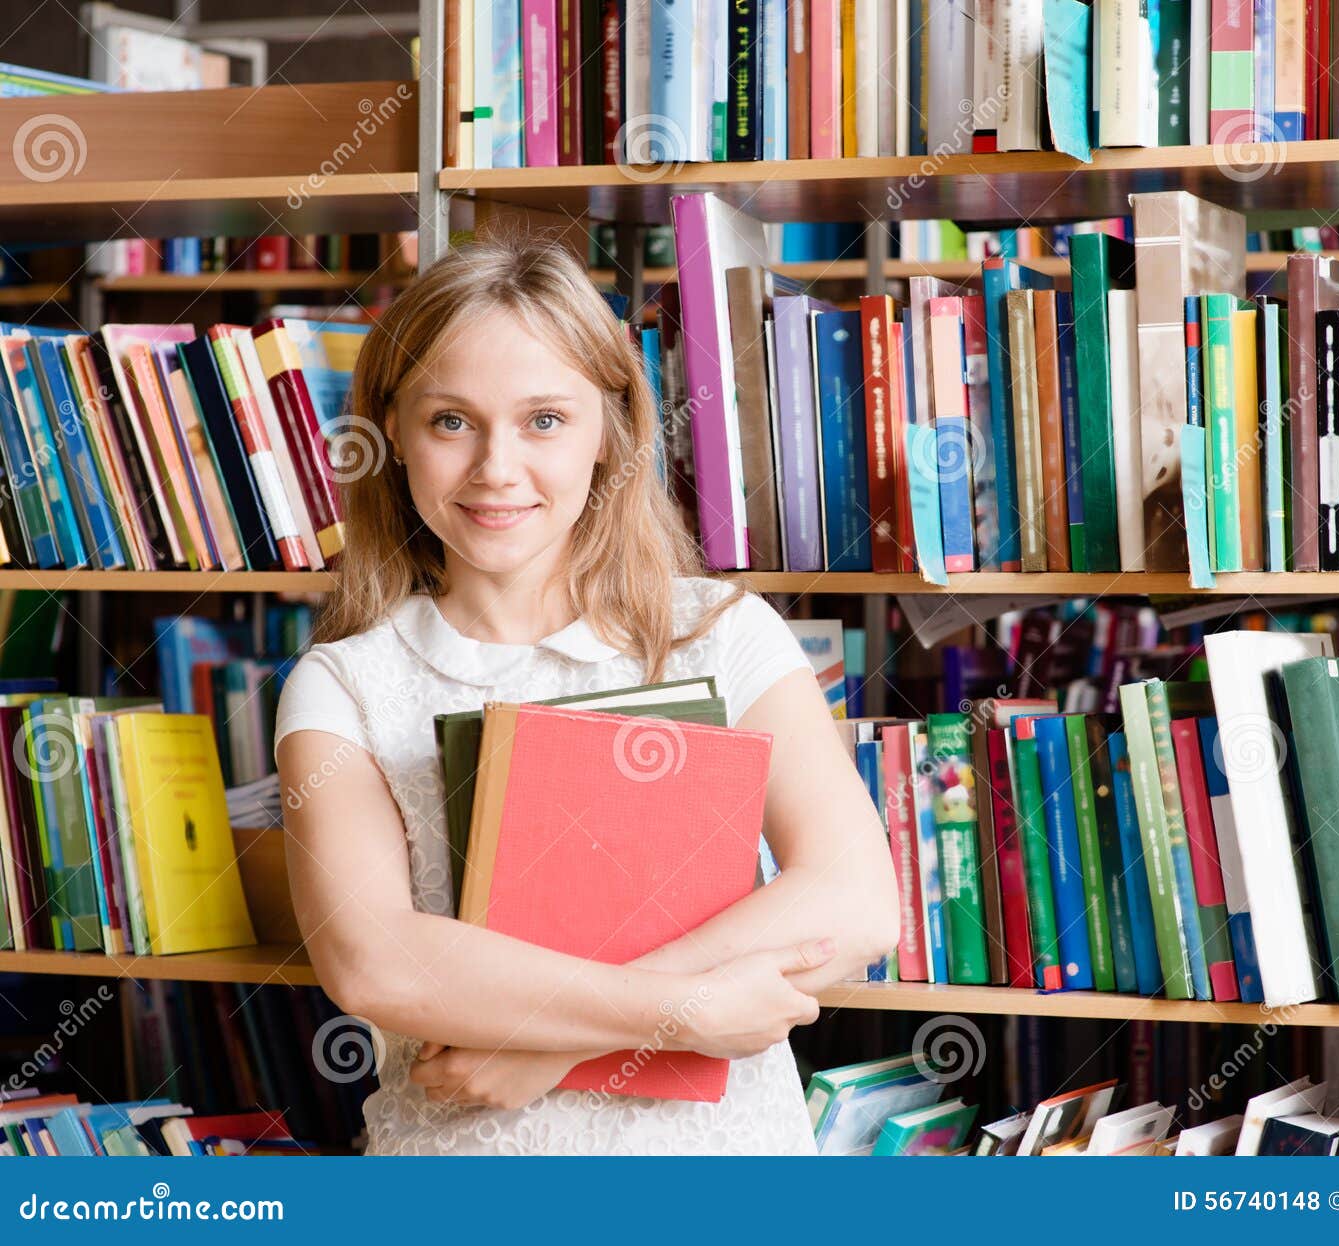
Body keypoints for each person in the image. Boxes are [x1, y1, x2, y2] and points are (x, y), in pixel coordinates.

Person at [274, 236, 899, 1155]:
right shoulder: (344, 683)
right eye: (451, 421)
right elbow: (373, 963)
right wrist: (682, 1012)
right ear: (392, 432)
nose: (495, 467)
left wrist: (555, 1051)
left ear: (609, 432)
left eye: (544, 420)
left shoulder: (722, 633)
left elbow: (854, 904)